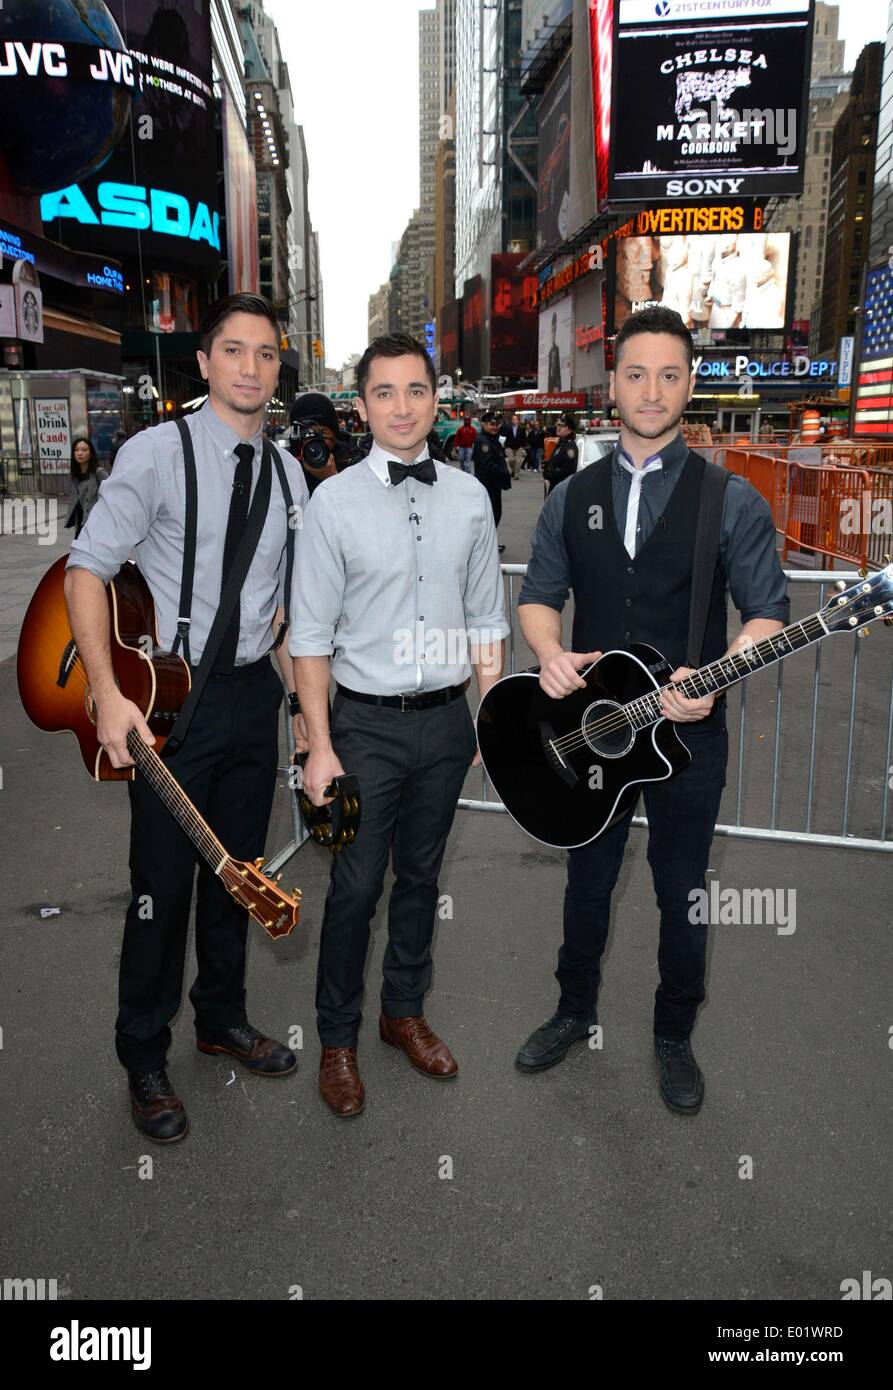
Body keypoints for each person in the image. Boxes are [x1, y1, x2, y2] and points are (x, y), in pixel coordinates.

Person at [514, 305, 788, 1114]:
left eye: (669, 373)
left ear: (690, 383)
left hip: (687, 739)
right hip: (594, 730)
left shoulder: (729, 499)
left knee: (681, 889)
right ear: (613, 382)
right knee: (586, 880)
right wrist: (550, 654)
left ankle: (673, 1032)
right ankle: (572, 1010)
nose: (651, 389)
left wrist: (717, 677)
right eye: (636, 373)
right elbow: (538, 598)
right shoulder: (572, 494)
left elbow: (765, 613)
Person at [63, 292, 311, 1144]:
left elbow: (278, 614)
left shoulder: (289, 474)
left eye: (266, 353)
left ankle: (220, 1017)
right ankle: (142, 1052)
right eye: (233, 351)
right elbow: (85, 572)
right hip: (172, 703)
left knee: (236, 871)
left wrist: (307, 718)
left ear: (280, 368)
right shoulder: (154, 455)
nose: (250, 367)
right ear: (203, 364)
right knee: (159, 891)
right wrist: (106, 692)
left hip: (251, 698)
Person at [290, 331, 508, 1118]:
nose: (401, 407)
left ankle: (401, 1014)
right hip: (364, 729)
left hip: (447, 725)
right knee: (352, 891)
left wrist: (494, 717)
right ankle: (337, 1041)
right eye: (384, 392)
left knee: (420, 880)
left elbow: (487, 618)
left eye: (414, 390)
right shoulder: (332, 503)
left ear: (434, 400)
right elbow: (309, 639)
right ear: (362, 407)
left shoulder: (469, 498)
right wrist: (318, 746)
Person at [289, 392, 352, 496]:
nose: (314, 442)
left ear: (335, 433)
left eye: (321, 433)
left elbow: (359, 508)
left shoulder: (353, 461)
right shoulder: (288, 463)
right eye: (306, 434)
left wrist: (332, 477)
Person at [473, 410, 512, 554]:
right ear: (484, 424)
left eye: (496, 424)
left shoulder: (492, 439)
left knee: (494, 515)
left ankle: (489, 544)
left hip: (494, 485)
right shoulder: (483, 441)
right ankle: (485, 547)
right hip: (487, 485)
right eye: (491, 424)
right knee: (490, 517)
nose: (494, 427)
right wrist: (505, 473)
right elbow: (487, 465)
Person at [65, 437, 108, 539]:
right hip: (80, 522)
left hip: (95, 524)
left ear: (91, 453)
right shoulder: (76, 476)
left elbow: (111, 495)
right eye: (76, 450)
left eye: (84, 450)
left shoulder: (99, 472)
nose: (80, 453)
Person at [541, 414, 579, 497]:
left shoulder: (570, 446)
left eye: (562, 426)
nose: (558, 428)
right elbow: (555, 462)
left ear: (569, 429)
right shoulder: (560, 443)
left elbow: (569, 470)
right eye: (558, 425)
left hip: (562, 489)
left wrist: (551, 473)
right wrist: (547, 464)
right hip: (553, 487)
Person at [504, 413, 527, 478]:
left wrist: (523, 446)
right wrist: (506, 446)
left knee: (518, 461)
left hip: (519, 447)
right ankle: (513, 470)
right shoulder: (509, 429)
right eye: (513, 420)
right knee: (510, 460)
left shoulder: (521, 429)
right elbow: (506, 437)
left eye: (515, 419)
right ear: (512, 421)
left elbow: (524, 438)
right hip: (510, 447)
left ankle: (516, 474)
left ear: (518, 421)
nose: (514, 421)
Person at [547, 312, 562, 392]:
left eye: (554, 330)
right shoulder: (550, 351)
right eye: (552, 330)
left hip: (556, 385)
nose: (553, 333)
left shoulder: (557, 350)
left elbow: (558, 371)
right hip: (550, 386)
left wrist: (558, 384)